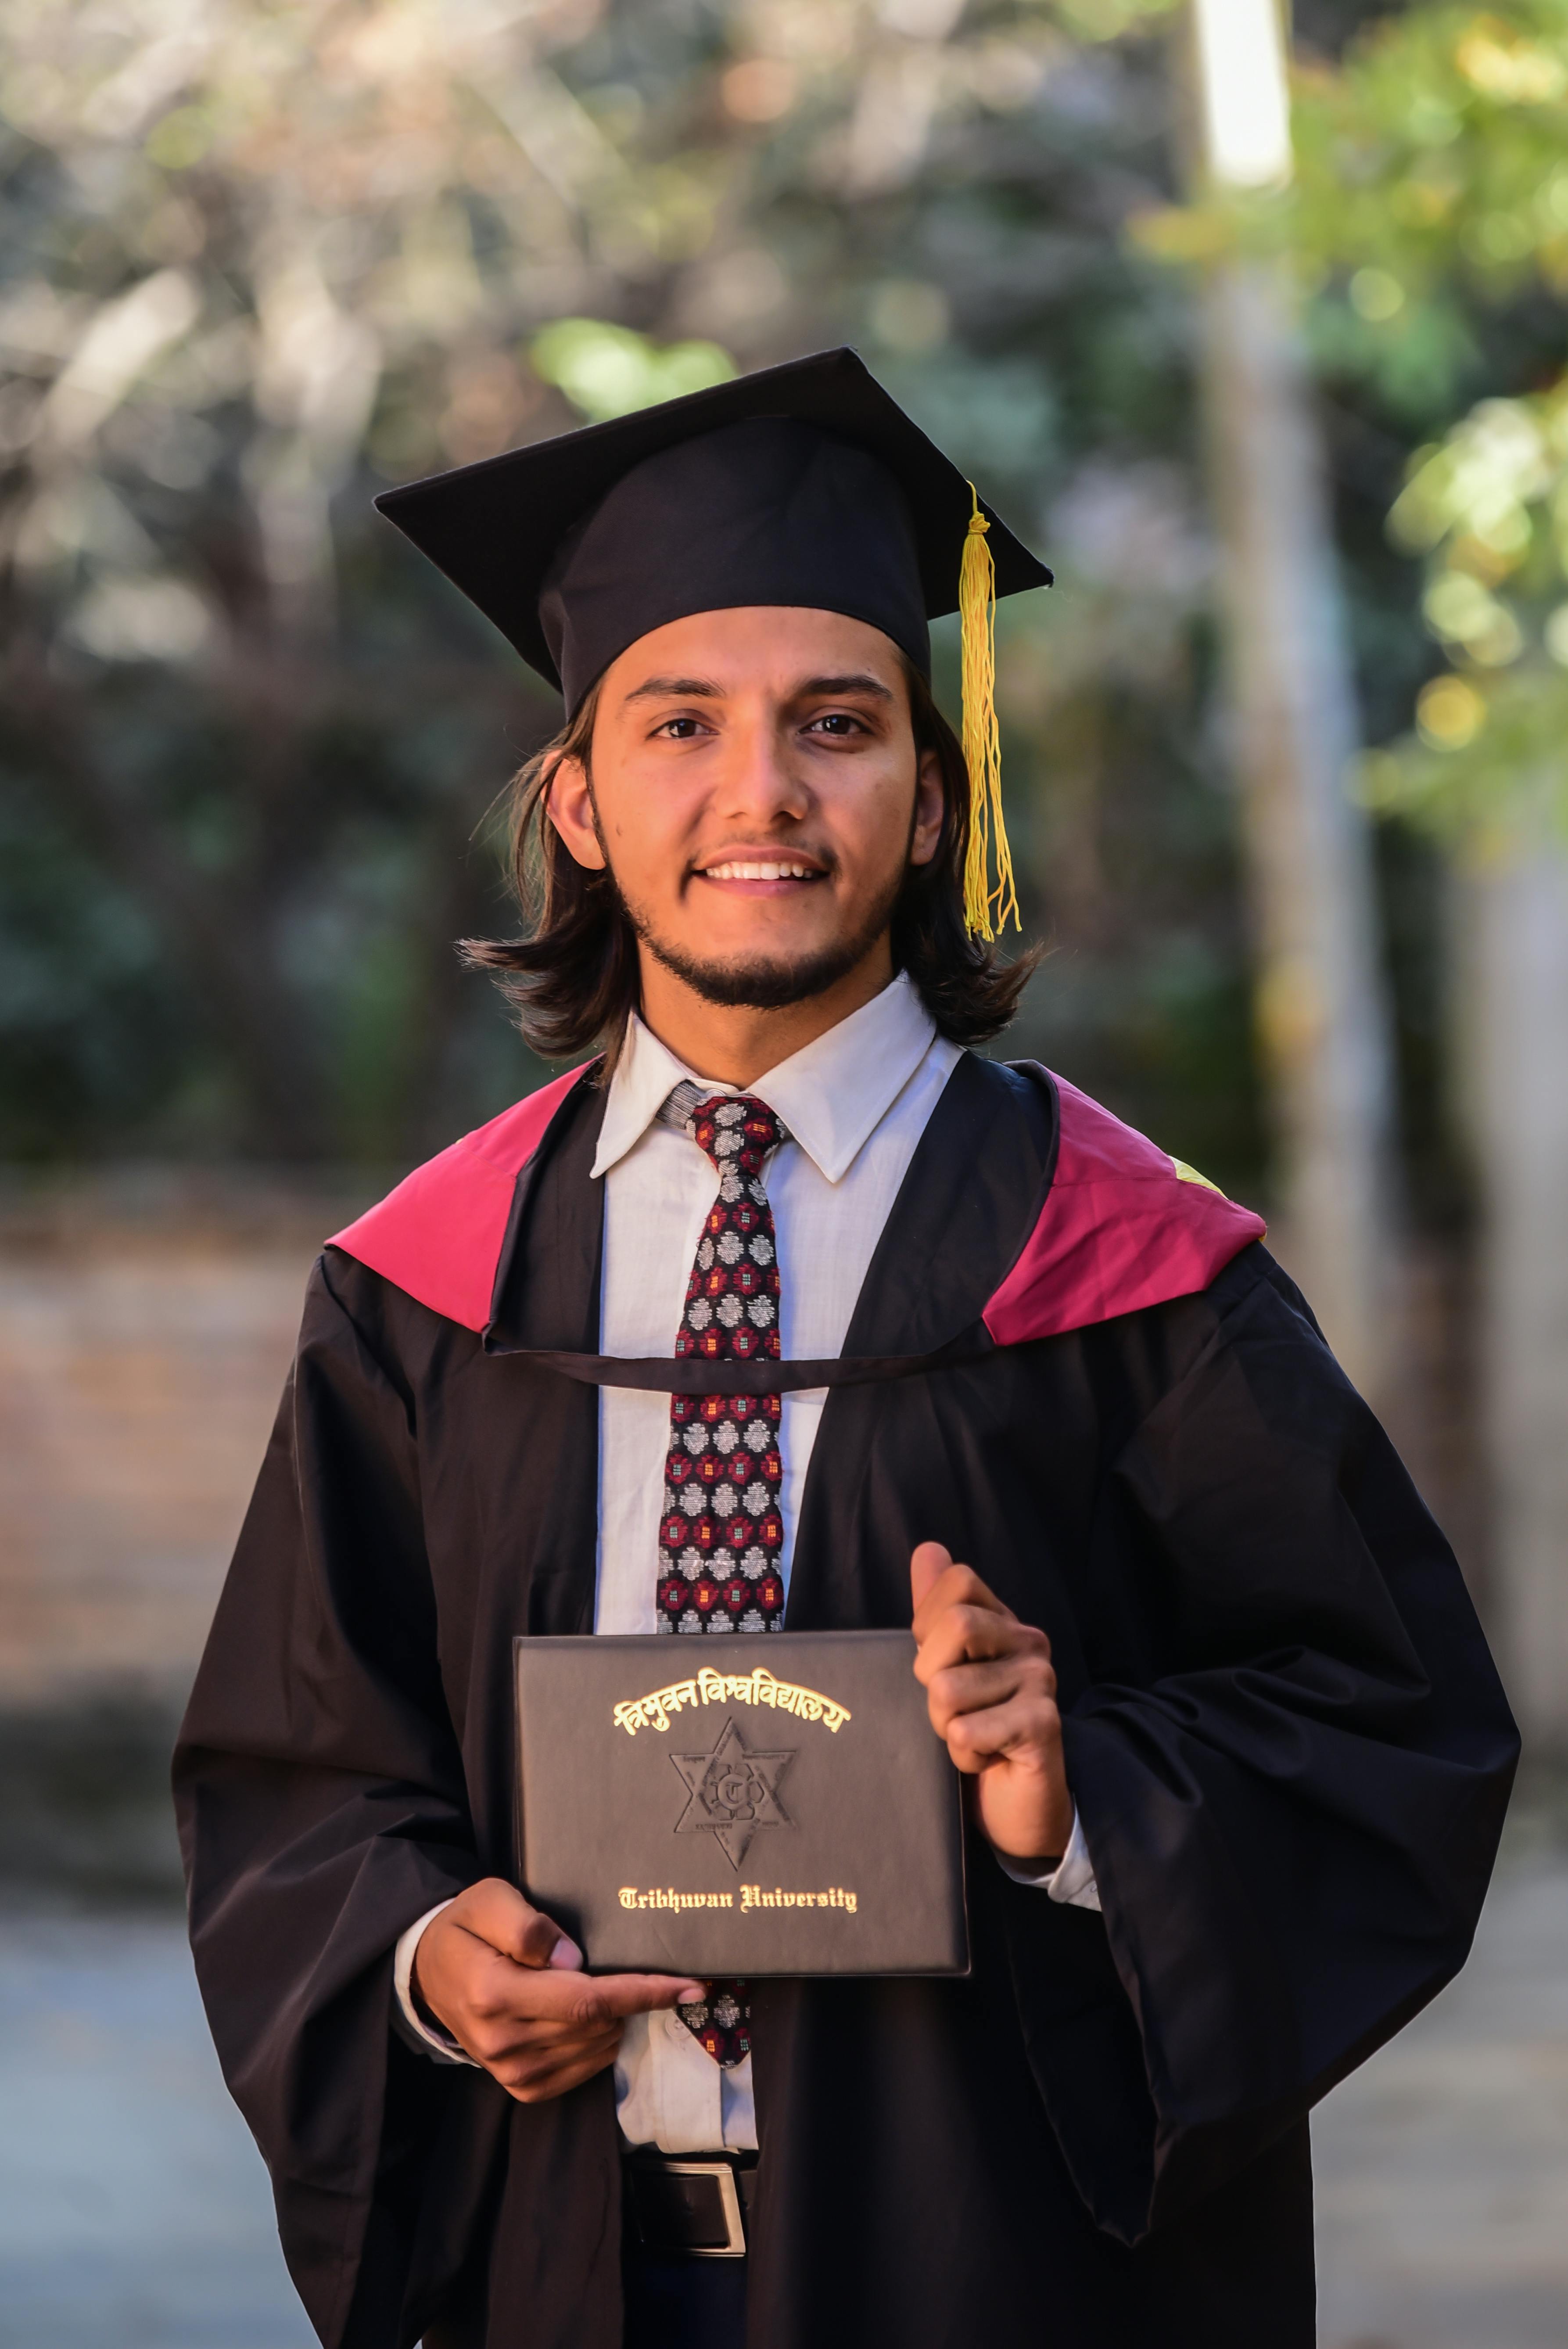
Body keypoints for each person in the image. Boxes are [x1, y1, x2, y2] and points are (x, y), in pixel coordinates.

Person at [175, 348, 1518, 2349]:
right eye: (679, 726)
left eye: (836, 724)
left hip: (992, 2270)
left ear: (929, 798)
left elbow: (1391, 1733)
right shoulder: (427, 1288)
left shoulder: (1131, 1263)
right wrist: (425, 1950)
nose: (761, 795)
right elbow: (301, 1771)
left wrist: (1082, 1795)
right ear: (583, 805)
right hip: (558, 2268)